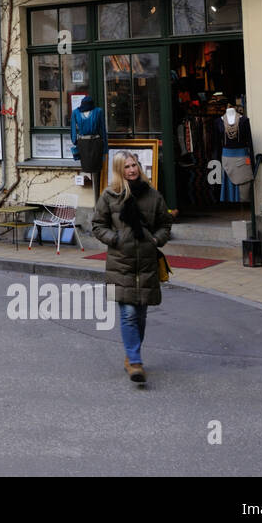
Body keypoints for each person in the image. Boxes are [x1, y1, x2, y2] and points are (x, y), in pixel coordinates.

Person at [91, 151, 172, 385]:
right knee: (128, 314)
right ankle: (136, 362)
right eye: (126, 166)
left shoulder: (152, 195)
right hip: (120, 263)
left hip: (146, 263)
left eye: (134, 165)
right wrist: (115, 239)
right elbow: (97, 225)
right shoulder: (110, 195)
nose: (132, 170)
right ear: (119, 170)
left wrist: (155, 240)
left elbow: (165, 224)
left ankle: (130, 355)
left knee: (141, 315)